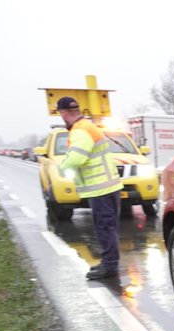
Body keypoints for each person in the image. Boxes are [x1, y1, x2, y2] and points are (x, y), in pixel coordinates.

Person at [55, 96, 124, 279]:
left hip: (101, 189)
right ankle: (109, 263)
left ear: (63, 113)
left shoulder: (80, 131)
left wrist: (61, 168)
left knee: (105, 228)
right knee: (107, 228)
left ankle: (109, 267)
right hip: (108, 187)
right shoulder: (87, 126)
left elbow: (76, 158)